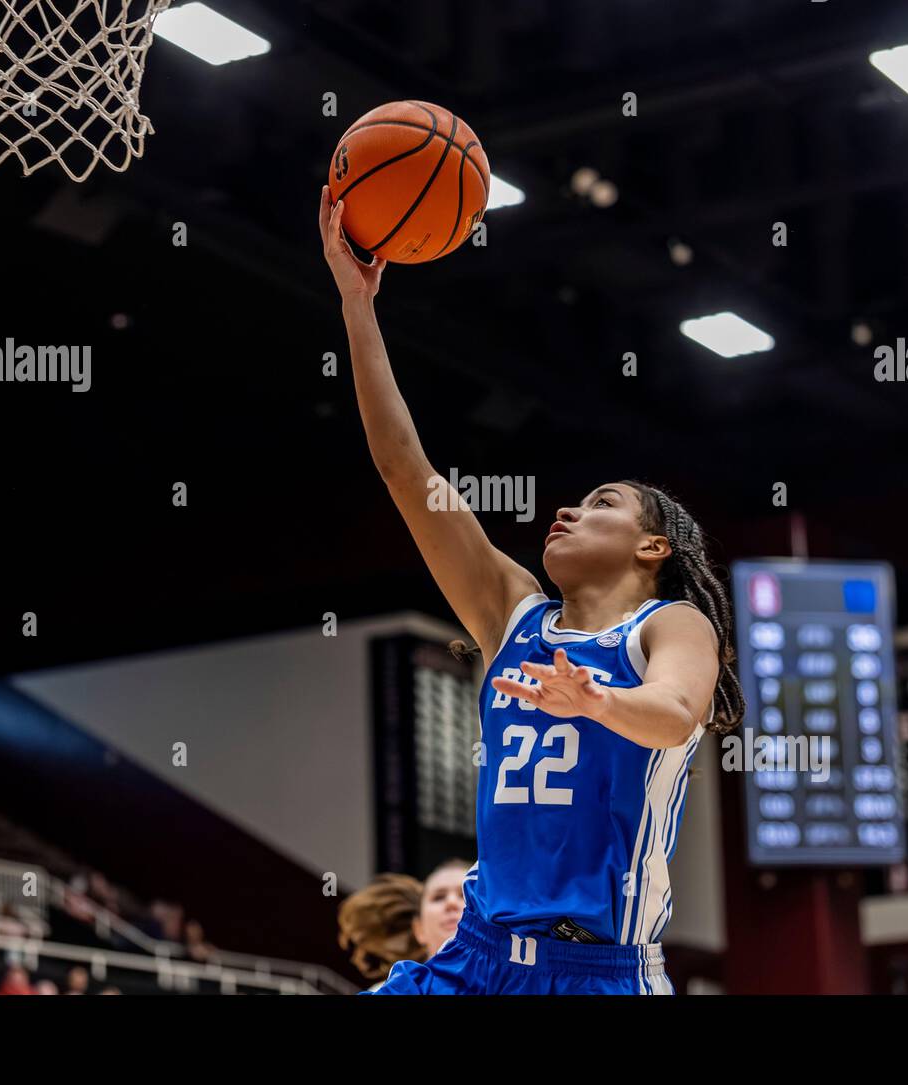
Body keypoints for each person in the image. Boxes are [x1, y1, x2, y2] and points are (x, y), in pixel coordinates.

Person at [320, 189, 744, 995]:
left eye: (602, 505)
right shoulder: (513, 612)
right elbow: (406, 473)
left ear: (654, 546)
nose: (567, 510)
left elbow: (677, 712)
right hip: (475, 958)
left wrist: (596, 702)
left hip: (595, 971)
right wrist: (356, 302)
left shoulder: (669, 624)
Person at [338, 860, 468, 990]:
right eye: (438, 897)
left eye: (465, 895)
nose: (451, 902)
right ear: (419, 929)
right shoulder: (386, 991)